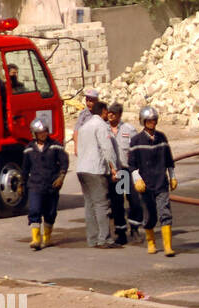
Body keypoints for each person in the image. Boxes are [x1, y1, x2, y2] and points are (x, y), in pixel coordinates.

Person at [129, 106, 177, 256]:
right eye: (149, 120)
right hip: (145, 185)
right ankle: (151, 242)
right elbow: (131, 165)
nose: (152, 123)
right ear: (143, 122)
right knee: (150, 215)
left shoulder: (162, 138)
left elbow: (169, 160)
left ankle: (168, 246)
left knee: (165, 212)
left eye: (154, 120)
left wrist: (172, 176)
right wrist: (137, 179)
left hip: (161, 183)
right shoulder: (136, 141)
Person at [74, 100, 119, 249]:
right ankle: (104, 239)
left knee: (89, 205)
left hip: (82, 169)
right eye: (107, 112)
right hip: (95, 170)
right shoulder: (101, 126)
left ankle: (92, 239)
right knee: (101, 204)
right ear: (103, 112)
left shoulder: (84, 127)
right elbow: (107, 148)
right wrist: (113, 168)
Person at [23, 119, 68, 250]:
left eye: (44, 132)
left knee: (50, 212)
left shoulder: (56, 146)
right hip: (35, 185)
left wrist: (61, 177)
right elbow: (25, 169)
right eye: (40, 132)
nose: (43, 134)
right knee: (34, 210)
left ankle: (47, 238)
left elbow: (64, 163)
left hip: (52, 185)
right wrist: (22, 184)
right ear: (34, 134)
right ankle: (35, 239)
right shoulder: (29, 149)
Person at [105, 102, 141, 245]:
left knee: (134, 200)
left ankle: (135, 228)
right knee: (117, 203)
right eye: (109, 113)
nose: (110, 115)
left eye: (114, 113)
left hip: (126, 172)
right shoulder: (104, 130)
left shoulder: (129, 130)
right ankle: (121, 232)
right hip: (115, 173)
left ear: (120, 115)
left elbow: (136, 149)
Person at [68, 88, 101, 155]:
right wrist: (76, 147)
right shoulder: (83, 114)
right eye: (87, 100)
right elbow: (76, 130)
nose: (88, 103)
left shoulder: (102, 113)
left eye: (91, 101)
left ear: (97, 101)